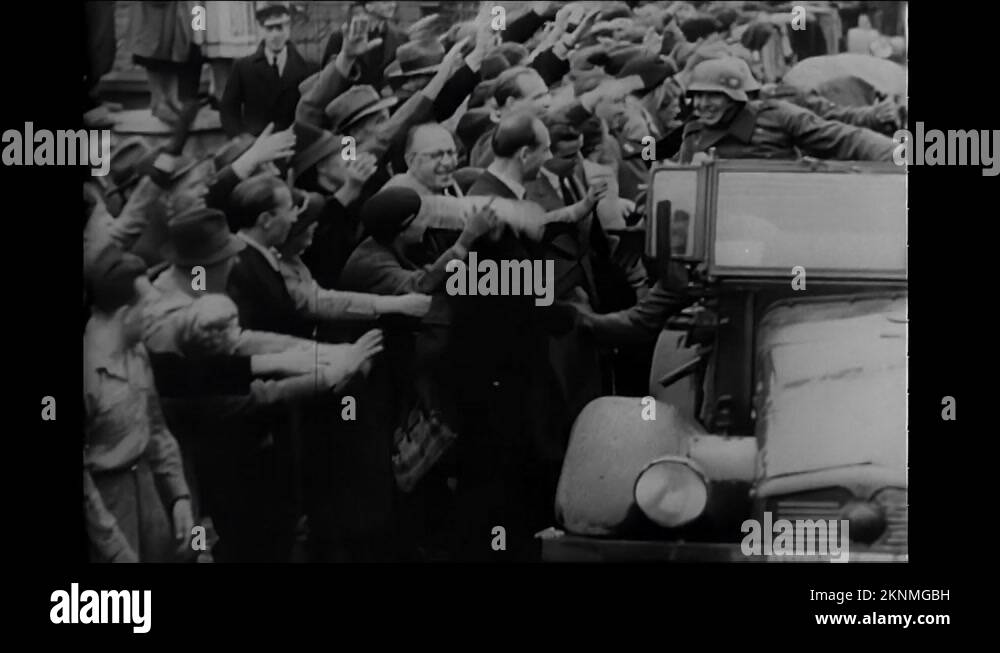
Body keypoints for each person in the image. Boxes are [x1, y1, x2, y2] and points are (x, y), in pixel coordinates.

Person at [84, 247, 193, 563]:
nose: (155, 316)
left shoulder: (136, 351)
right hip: (104, 506)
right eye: (149, 309)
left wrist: (179, 495)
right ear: (125, 315)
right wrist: (115, 548)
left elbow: (156, 426)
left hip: (145, 485)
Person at [679, 57, 897, 163]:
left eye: (713, 96)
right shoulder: (694, 135)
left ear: (735, 98)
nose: (702, 104)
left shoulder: (778, 115)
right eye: (698, 96)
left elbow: (843, 138)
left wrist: (896, 154)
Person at [219, 2, 314, 137]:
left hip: (292, 143)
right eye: (269, 29)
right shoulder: (243, 67)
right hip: (256, 144)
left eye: (280, 28)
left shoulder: (306, 68)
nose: (275, 35)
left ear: (288, 29)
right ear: (261, 30)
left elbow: (312, 110)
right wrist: (242, 139)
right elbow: (228, 111)